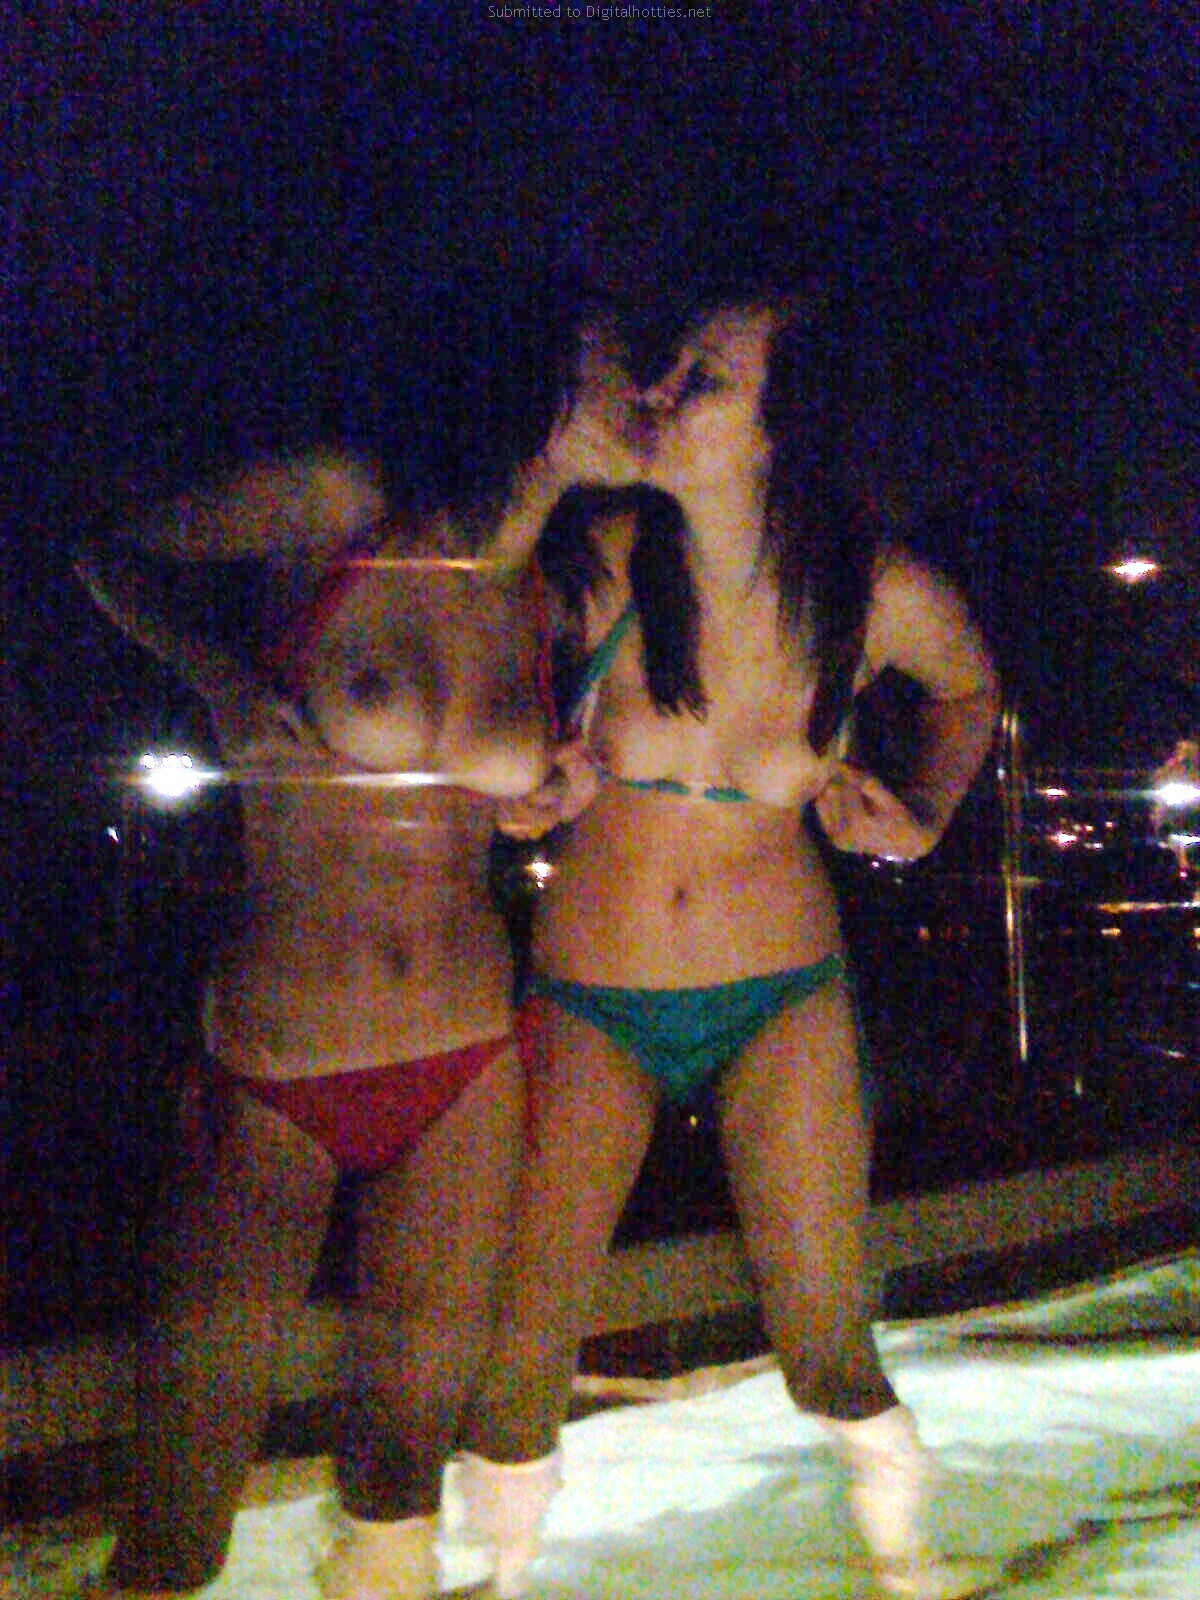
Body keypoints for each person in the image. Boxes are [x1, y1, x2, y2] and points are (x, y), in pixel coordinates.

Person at [73, 311, 642, 1600]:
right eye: (620, 365)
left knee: (398, 1474)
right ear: (537, 375)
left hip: (466, 1062)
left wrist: (544, 797)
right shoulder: (339, 504)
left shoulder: (549, 591)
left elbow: (494, 800)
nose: (648, 392)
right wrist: (219, 677)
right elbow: (106, 547)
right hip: (279, 1060)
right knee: (179, 1517)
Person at [455, 292, 1004, 1600]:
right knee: (525, 1335)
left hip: (783, 995)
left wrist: (925, 812)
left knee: (827, 1337)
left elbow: (970, 689)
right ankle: (500, 1580)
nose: (660, 394)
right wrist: (516, 787)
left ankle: (911, 1568)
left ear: (782, 429)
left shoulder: (873, 592)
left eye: (702, 380)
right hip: (592, 994)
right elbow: (460, 616)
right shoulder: (605, 557)